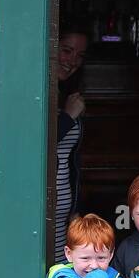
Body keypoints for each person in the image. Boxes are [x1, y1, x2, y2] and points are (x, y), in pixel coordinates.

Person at [53, 27, 89, 258]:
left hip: (64, 216)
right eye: (67, 50)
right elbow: (32, 148)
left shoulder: (65, 92)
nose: (72, 61)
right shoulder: (32, 93)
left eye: (80, 55)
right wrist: (67, 117)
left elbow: (69, 161)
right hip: (39, 211)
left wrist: (74, 208)